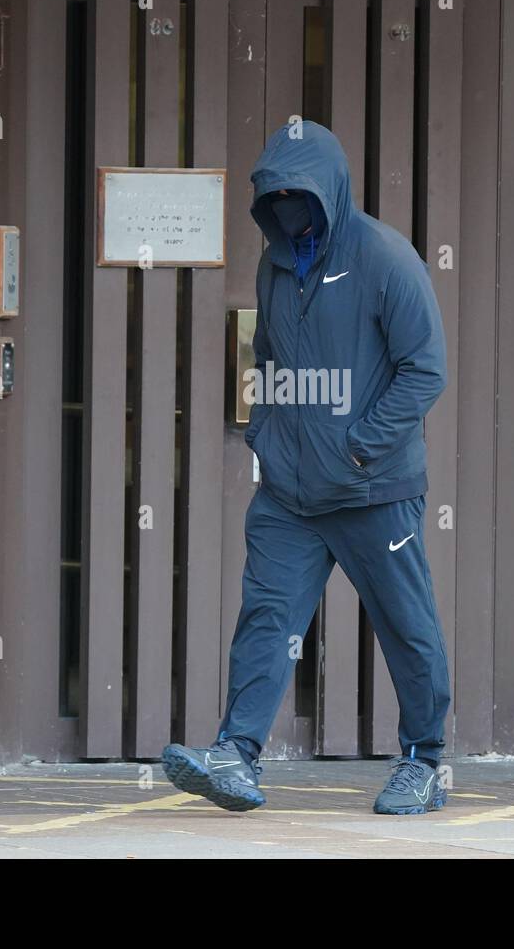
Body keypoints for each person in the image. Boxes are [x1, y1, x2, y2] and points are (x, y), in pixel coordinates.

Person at [161, 119, 451, 814]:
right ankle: (235, 756)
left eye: (301, 194)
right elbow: (268, 357)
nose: (289, 207)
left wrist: (358, 444)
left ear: (332, 191)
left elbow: (425, 371)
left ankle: (425, 762)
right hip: (290, 494)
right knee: (265, 617)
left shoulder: (386, 259)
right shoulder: (276, 263)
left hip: (373, 489)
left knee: (406, 626)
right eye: (277, 196)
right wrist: (267, 433)